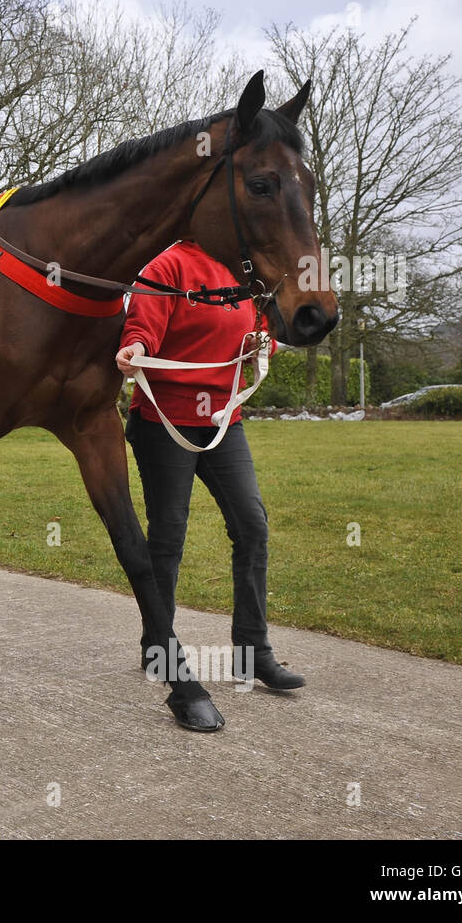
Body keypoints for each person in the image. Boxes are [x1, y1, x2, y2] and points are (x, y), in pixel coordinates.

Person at [114, 240, 305, 690]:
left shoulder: (245, 270)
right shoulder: (168, 265)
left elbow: (260, 329)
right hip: (165, 421)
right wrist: (135, 348)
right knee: (168, 538)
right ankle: (158, 648)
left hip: (223, 421)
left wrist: (263, 344)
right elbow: (143, 326)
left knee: (252, 526)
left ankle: (253, 652)